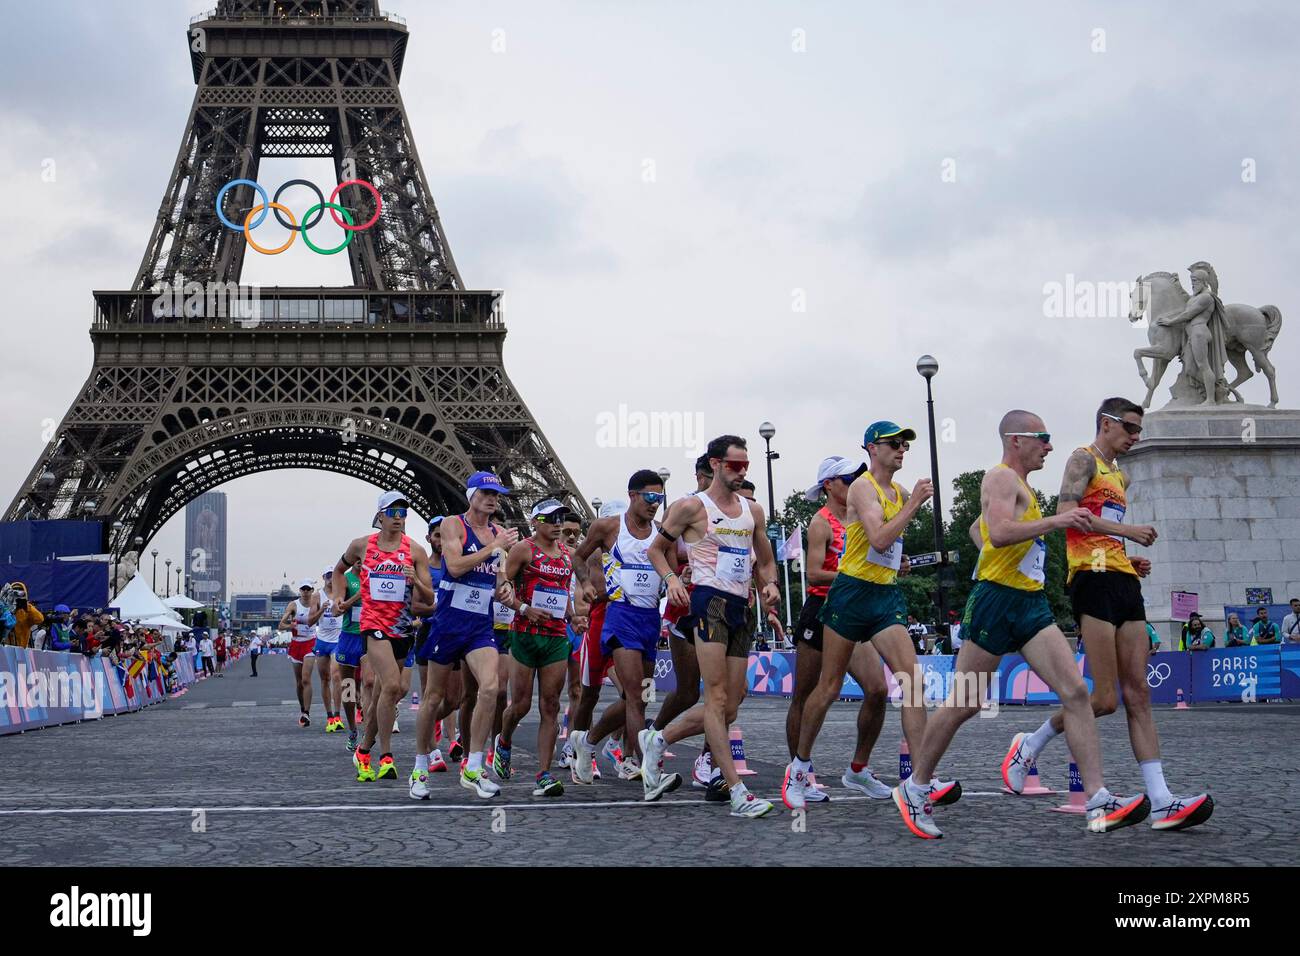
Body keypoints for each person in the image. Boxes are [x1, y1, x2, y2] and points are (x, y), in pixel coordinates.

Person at [896, 409, 1149, 839]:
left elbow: (980, 532)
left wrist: (1010, 544)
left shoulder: (1022, 488)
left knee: (1075, 693)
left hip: (1030, 603)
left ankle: (1098, 798)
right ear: (1016, 440)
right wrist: (1057, 521)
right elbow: (997, 531)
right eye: (1042, 437)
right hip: (996, 602)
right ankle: (915, 787)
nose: (1049, 446)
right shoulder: (1000, 478)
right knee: (965, 703)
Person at [1000, 398, 1211, 833]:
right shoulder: (1083, 460)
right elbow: (1065, 516)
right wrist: (1127, 532)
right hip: (1090, 583)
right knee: (1102, 700)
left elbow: (1100, 532)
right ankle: (1030, 744)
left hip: (1121, 580)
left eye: (1138, 429)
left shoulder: (1122, 474)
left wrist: (1127, 559)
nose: (1136, 436)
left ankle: (1162, 801)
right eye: (1130, 428)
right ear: (1106, 424)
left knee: (1138, 695)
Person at [784, 422, 956, 812]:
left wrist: (901, 562)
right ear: (871, 449)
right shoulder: (864, 488)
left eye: (904, 445)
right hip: (849, 594)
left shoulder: (897, 492)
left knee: (909, 683)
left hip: (884, 594)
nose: (901, 450)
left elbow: (885, 546)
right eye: (893, 444)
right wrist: (914, 506)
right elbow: (878, 538)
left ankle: (920, 777)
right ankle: (798, 769)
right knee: (826, 688)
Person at [642, 434, 779, 818]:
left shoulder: (753, 511)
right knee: (716, 699)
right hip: (708, 603)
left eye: (746, 466)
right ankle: (736, 790)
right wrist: (670, 579)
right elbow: (656, 548)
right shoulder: (691, 506)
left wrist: (769, 586)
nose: (741, 472)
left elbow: (764, 560)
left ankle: (658, 738)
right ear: (716, 464)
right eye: (735, 465)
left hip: (741, 606)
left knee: (732, 703)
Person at [787, 455, 892, 800]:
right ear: (829, 485)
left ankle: (858, 770)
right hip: (822, 609)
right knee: (807, 694)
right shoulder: (821, 522)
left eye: (858, 477)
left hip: (855, 607)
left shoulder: (866, 515)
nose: (855, 484)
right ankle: (798, 772)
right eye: (848, 479)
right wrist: (852, 576)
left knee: (877, 689)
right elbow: (814, 573)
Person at [410, 473, 518, 799]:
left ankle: (472, 766)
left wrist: (507, 590)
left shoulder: (499, 532)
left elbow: (499, 579)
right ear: (472, 495)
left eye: (497, 494)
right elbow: (455, 567)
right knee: (434, 699)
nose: (492, 499)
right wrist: (493, 547)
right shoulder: (453, 525)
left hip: (479, 626)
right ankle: (419, 766)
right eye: (486, 493)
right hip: (447, 623)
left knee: (491, 688)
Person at [570, 472, 670, 791]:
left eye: (660, 499)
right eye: (650, 498)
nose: (655, 504)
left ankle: (588, 741)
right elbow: (578, 555)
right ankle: (649, 773)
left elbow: (673, 566)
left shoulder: (662, 533)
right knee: (636, 699)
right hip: (620, 615)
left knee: (638, 696)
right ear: (633, 495)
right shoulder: (608, 527)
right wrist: (585, 583)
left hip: (649, 618)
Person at [333, 491, 435, 784]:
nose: (399, 517)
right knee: (391, 685)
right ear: (380, 516)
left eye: (403, 512)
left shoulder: (415, 551)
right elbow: (339, 571)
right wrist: (340, 597)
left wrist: (415, 581)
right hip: (373, 624)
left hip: (402, 628)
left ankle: (364, 749)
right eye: (392, 512)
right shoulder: (361, 545)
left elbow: (428, 596)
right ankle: (386, 756)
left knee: (386, 693)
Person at [495, 500, 586, 796]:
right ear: (535, 522)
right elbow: (502, 586)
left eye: (561, 517)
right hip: (524, 634)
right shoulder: (524, 549)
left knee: (551, 705)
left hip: (556, 637)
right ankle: (504, 741)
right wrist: (523, 608)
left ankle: (543, 774)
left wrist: (574, 618)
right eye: (550, 518)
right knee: (520, 705)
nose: (558, 523)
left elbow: (562, 593)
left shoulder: (568, 556)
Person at [332, 558, 366, 751]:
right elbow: (337, 609)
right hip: (349, 636)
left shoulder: (373, 575)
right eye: (358, 560)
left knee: (369, 682)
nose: (362, 563)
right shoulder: (346, 579)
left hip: (369, 635)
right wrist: (354, 598)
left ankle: (369, 729)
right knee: (348, 686)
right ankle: (353, 729)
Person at [278, 580, 323, 726]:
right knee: (299, 683)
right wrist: (290, 624)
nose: (305, 592)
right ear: (300, 591)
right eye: (303, 589)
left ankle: (307, 713)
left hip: (310, 642)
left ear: (312, 590)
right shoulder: (293, 605)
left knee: (305, 679)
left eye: (308, 589)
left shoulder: (316, 603)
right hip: (296, 643)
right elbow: (281, 625)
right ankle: (302, 708)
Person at [313, 568, 344, 730]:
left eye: (333, 576)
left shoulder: (341, 593)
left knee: (336, 676)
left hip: (338, 639)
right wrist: (320, 609)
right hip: (322, 640)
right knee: (325, 679)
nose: (331, 579)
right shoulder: (317, 596)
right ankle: (329, 716)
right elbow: (310, 621)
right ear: (323, 578)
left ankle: (338, 715)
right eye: (328, 576)